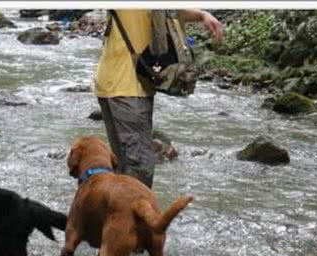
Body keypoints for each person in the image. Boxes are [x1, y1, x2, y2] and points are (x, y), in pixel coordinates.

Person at [95, 9, 224, 188]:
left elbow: (175, 12)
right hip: (126, 87)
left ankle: (122, 212)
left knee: (125, 167)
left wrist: (202, 15)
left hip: (118, 83)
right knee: (139, 168)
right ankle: (135, 214)